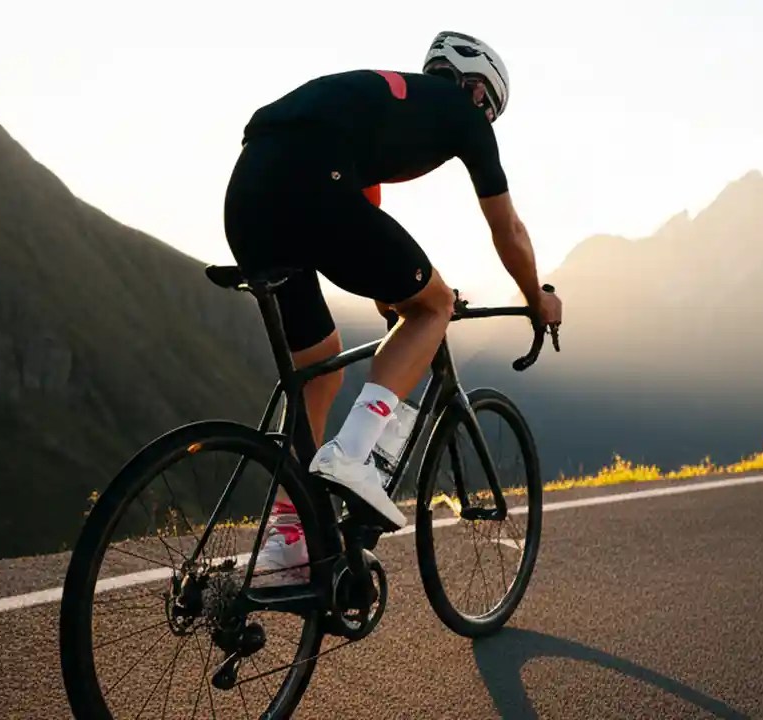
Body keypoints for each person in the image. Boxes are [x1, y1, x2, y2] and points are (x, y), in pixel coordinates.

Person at [222, 31, 563, 585]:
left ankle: (288, 537)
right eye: (489, 110)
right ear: (478, 92)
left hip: (249, 191)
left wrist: (387, 291)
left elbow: (361, 208)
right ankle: (353, 455)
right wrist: (536, 297)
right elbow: (509, 229)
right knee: (435, 306)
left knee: (320, 365)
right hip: (313, 180)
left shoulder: (385, 99)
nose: (484, 119)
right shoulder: (463, 115)